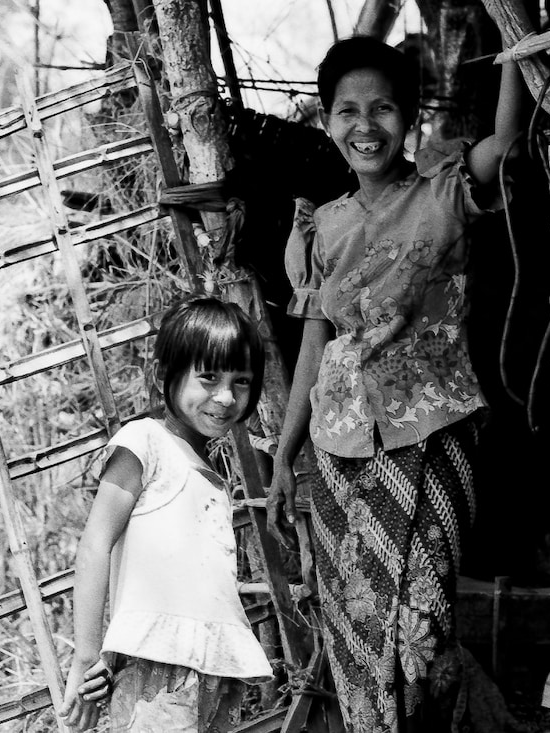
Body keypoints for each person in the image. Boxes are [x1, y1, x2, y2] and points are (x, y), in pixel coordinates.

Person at [267, 36, 523, 732]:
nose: (364, 126)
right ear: (327, 122)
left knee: (423, 623)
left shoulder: (446, 192)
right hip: (336, 446)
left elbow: (503, 143)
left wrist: (512, 43)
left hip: (432, 432)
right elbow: (316, 343)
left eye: (382, 108)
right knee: (352, 621)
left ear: (408, 117)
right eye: (346, 110)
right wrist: (287, 454)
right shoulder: (322, 226)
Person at [58, 297, 273, 732]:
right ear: (162, 376)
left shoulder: (206, 467)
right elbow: (96, 543)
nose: (226, 397)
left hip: (213, 667)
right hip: (157, 664)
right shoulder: (145, 442)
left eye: (242, 381)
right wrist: (87, 653)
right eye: (208, 378)